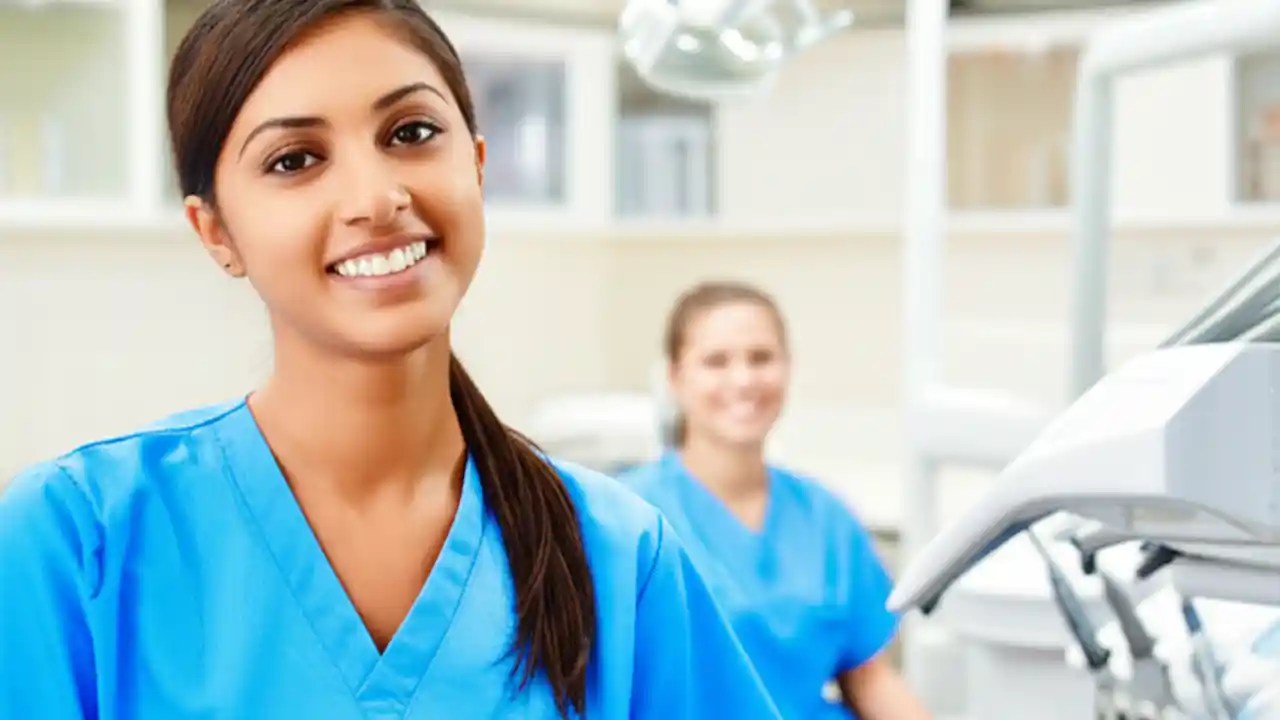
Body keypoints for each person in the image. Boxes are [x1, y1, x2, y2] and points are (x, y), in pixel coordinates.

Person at [0, 3, 783, 718]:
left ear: (477, 165)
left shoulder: (618, 558)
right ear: (216, 233)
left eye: (410, 133)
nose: (376, 199)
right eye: (295, 160)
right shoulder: (81, 541)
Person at [619, 281, 932, 720]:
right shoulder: (629, 517)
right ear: (675, 377)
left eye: (761, 358)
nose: (743, 380)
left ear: (787, 367)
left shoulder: (825, 516)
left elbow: (868, 677)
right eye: (716, 361)